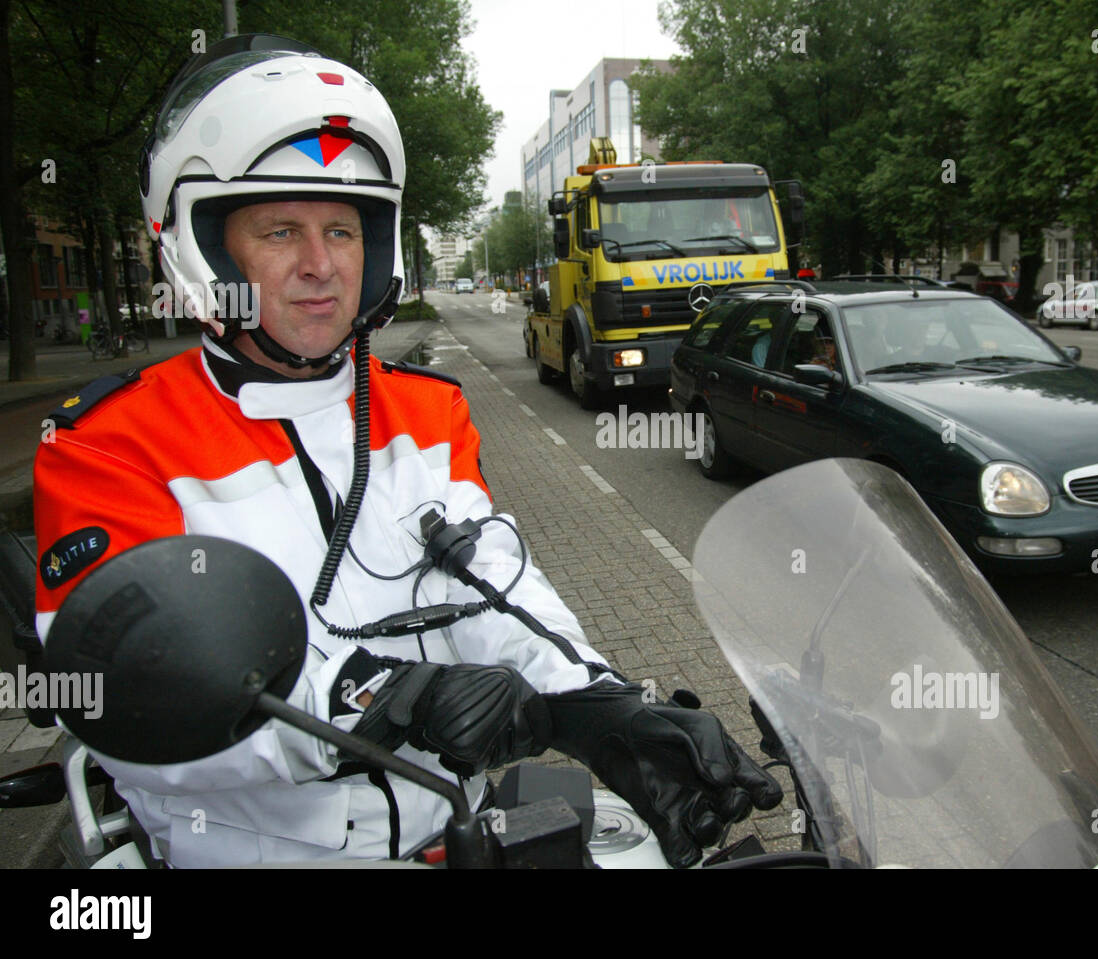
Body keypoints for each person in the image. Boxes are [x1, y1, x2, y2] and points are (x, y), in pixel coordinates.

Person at [32, 35, 779, 869]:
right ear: (202, 244)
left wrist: (600, 707)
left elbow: (497, 585)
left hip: (453, 833)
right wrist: (381, 701)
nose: (321, 266)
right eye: (281, 230)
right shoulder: (107, 444)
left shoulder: (423, 407)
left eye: (344, 231)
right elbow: (131, 697)